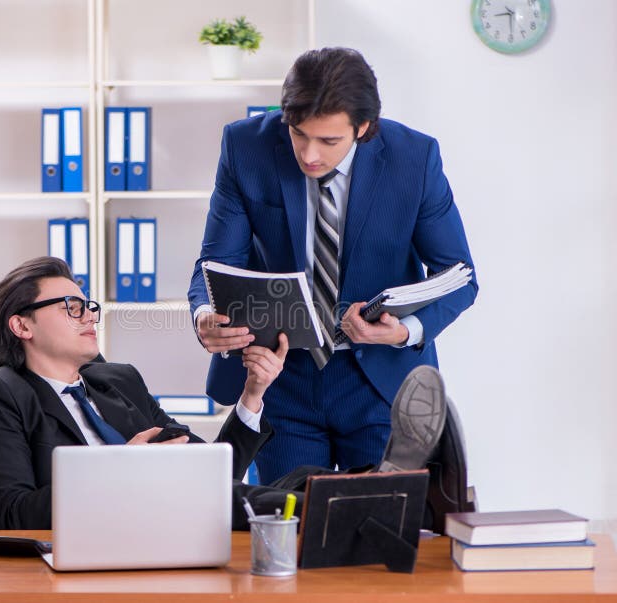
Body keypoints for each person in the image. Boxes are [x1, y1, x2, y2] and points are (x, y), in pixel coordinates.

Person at [188, 47, 477, 484]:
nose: (309, 155)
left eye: (328, 141)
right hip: (281, 376)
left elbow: (458, 277)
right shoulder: (246, 146)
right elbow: (216, 261)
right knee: (285, 519)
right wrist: (205, 314)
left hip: (380, 381)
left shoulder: (414, 158)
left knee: (382, 521)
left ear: (363, 128)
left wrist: (404, 331)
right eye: (298, 134)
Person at [0, 256, 293, 530]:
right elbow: (15, 515)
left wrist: (253, 393)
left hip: (179, 511)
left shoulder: (120, 380)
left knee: (304, 482)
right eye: (72, 307)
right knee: (297, 506)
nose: (90, 316)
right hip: (120, 529)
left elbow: (213, 471)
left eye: (88, 306)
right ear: (21, 326)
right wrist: (121, 466)